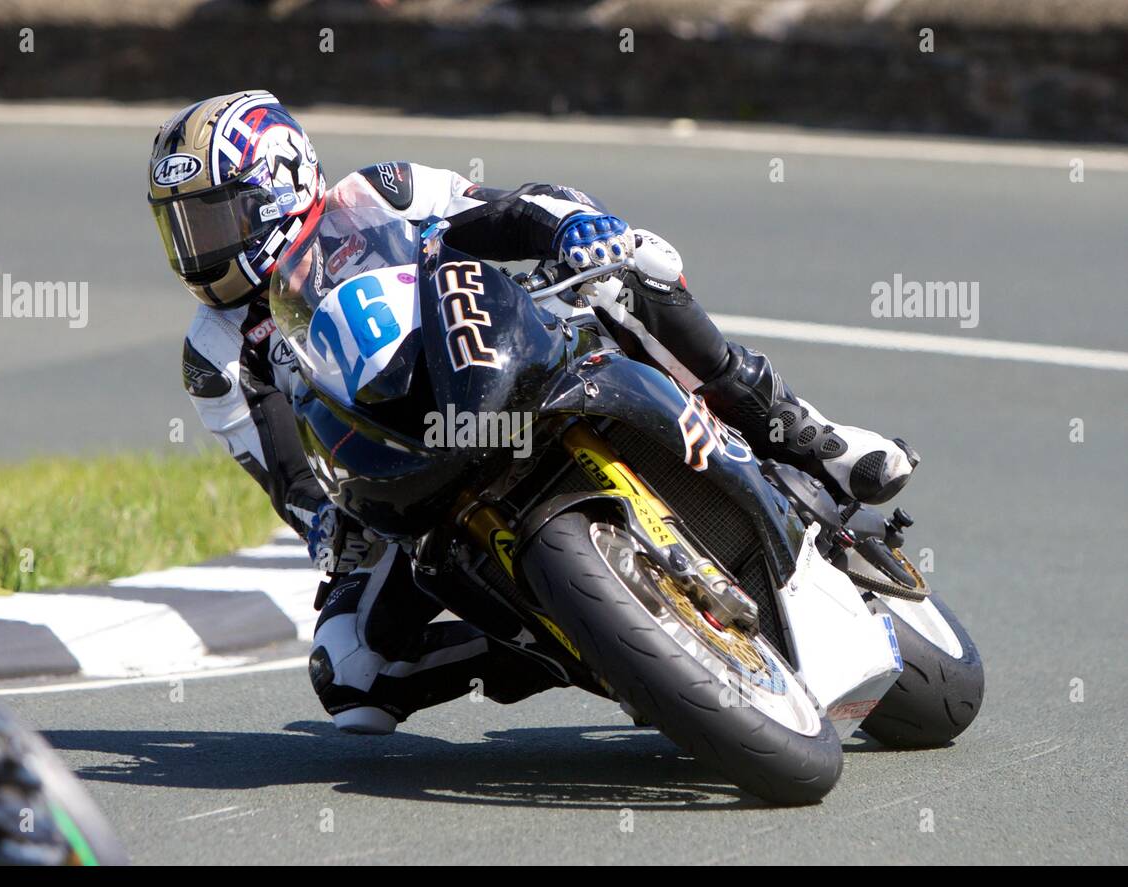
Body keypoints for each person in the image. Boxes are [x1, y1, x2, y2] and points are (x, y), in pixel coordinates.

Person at [147, 90, 918, 734]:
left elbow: (507, 209)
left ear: (278, 186)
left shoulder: (375, 192)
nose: (197, 250)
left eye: (212, 220)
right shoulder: (213, 352)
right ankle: (576, 640)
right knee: (348, 671)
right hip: (401, 470)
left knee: (634, 268)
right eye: (179, 227)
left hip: (501, 357)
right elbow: (284, 474)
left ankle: (814, 438)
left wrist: (572, 228)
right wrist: (331, 531)